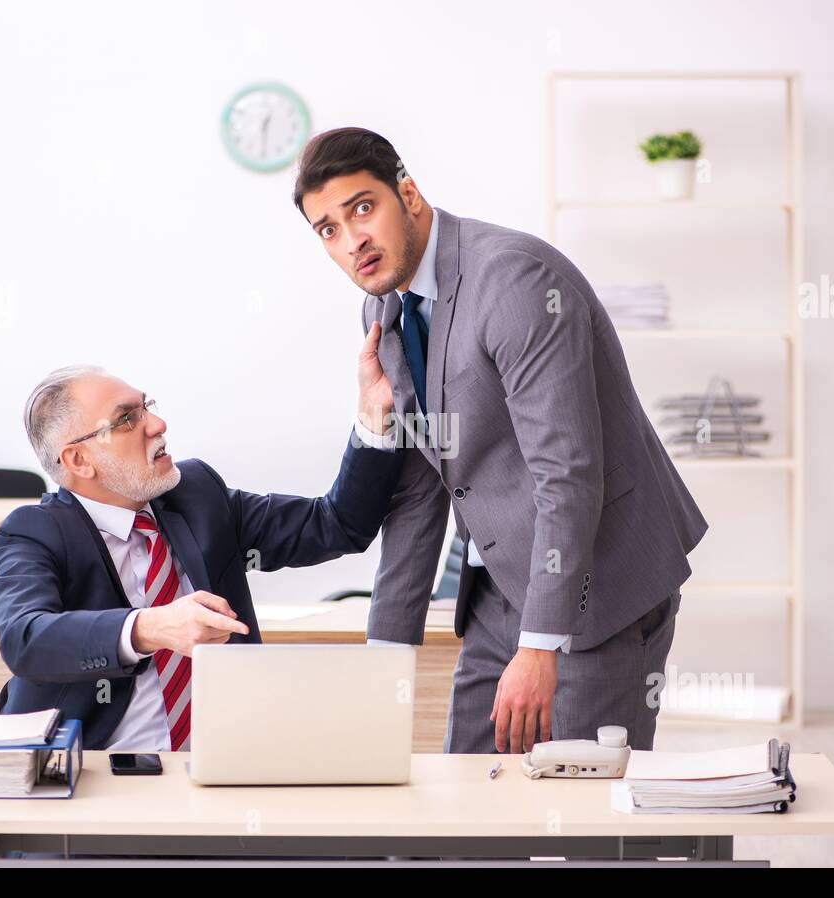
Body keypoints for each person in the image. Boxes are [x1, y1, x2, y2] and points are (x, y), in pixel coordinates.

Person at [293, 127, 709, 755]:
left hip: (602, 585)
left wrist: (543, 644)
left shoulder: (513, 280)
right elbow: (418, 490)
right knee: (463, 808)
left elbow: (566, 473)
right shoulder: (383, 312)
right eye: (328, 229)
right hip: (497, 589)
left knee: (585, 830)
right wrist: (384, 659)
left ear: (408, 193)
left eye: (362, 208)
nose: (353, 240)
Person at [0, 348, 400, 752]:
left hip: (223, 761)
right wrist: (149, 627)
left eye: (146, 406)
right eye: (127, 419)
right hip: (95, 769)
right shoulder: (32, 533)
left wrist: (373, 417)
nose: (157, 424)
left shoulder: (197, 494)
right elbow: (25, 638)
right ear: (78, 460)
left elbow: (336, 525)